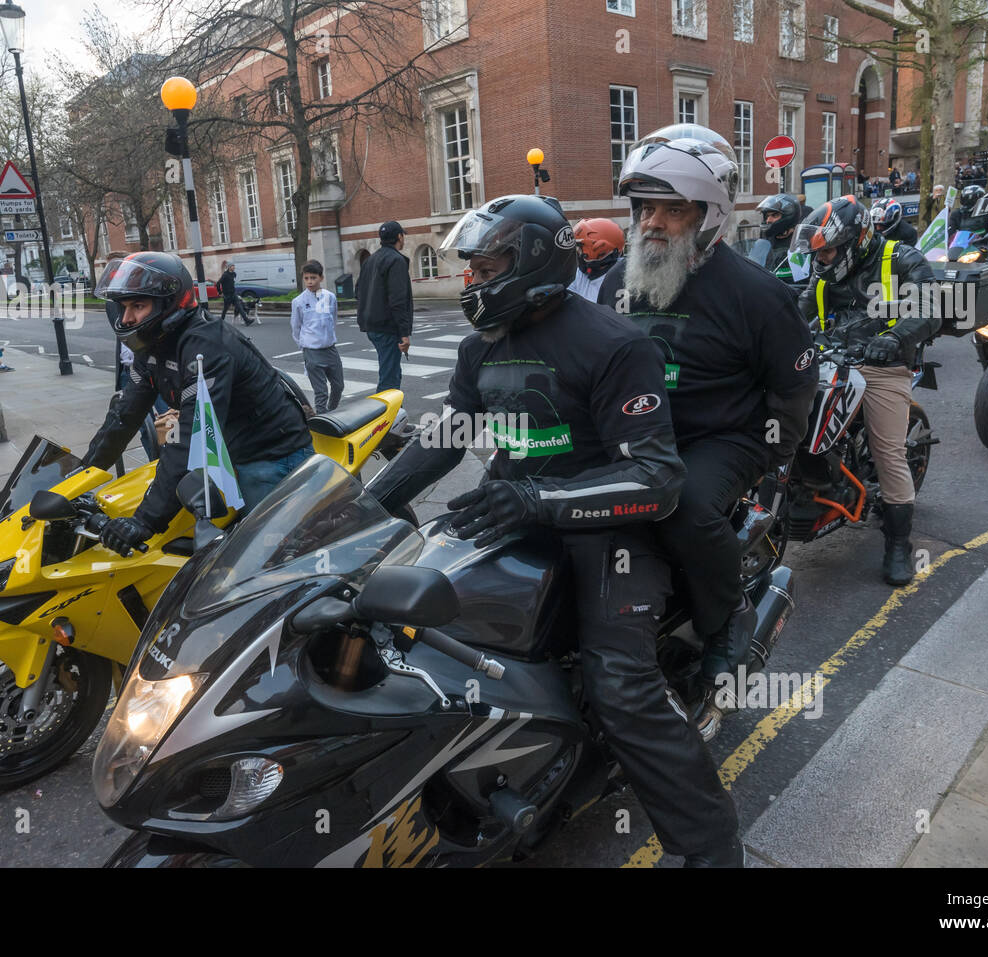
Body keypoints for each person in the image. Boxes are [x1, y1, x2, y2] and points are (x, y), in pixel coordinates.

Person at [368, 193, 743, 867]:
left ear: (535, 261)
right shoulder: (481, 347)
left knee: (623, 689)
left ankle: (714, 850)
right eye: (470, 269)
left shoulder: (613, 343)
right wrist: (365, 508)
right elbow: (448, 435)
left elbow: (657, 479)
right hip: (513, 513)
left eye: (486, 267)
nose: (472, 281)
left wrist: (537, 497)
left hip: (610, 534)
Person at [598, 130, 818, 729]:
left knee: (684, 503)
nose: (652, 223)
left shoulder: (758, 295)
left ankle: (728, 622)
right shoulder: (618, 283)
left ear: (709, 214)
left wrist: (770, 457)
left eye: (673, 209)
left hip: (724, 437)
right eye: (644, 208)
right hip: (641, 433)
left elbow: (794, 388)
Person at [82, 251, 314, 553]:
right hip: (229, 452)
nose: (127, 318)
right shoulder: (152, 348)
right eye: (125, 307)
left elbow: (191, 436)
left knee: (271, 554)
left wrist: (145, 521)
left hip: (267, 455)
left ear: (168, 303)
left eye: (137, 306)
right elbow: (123, 417)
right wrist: (80, 479)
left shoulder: (205, 345)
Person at [791, 197, 941, 586]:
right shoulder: (823, 273)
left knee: (888, 451)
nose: (821, 259)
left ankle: (897, 545)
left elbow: (931, 306)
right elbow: (798, 310)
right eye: (817, 253)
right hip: (827, 358)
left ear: (856, 240)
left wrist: (892, 338)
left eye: (828, 251)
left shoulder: (901, 258)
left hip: (882, 366)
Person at [355, 220, 413, 391]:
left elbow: (358, 291)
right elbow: (398, 300)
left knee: (392, 371)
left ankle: (394, 411)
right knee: (389, 378)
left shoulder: (370, 260)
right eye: (403, 236)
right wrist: (404, 334)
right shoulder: (396, 261)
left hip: (371, 325)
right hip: (388, 327)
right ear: (399, 237)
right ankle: (387, 414)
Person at [290, 259, 344, 414]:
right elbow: (296, 326)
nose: (309, 282)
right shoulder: (298, 301)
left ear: (321, 278)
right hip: (311, 351)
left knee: (338, 386)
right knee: (321, 392)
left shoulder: (330, 297)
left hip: (330, 348)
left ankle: (331, 412)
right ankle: (322, 422)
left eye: (313, 278)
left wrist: (328, 337)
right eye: (306, 278)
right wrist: (304, 346)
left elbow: (333, 319)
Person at [567, 218, 625, 302]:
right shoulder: (580, 274)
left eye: (580, 248)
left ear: (601, 248)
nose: (577, 252)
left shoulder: (622, 278)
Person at [755, 193, 803, 273]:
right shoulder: (765, 240)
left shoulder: (800, 242)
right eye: (767, 216)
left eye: (774, 215)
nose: (768, 220)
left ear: (789, 216)